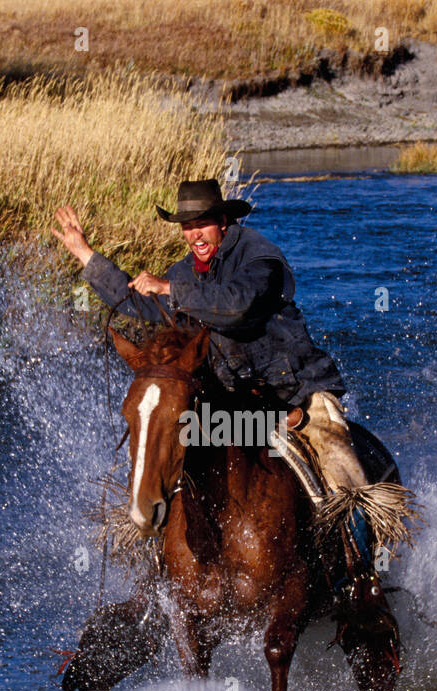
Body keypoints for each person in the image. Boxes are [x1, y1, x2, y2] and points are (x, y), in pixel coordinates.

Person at [51, 178, 385, 576]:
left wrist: (170, 289)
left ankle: (362, 585)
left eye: (202, 224)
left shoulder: (260, 258)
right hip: (233, 405)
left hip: (298, 395)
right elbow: (142, 300)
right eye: (187, 227)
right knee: (173, 460)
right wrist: (88, 256)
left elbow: (236, 304)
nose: (194, 234)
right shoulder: (183, 274)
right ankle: (159, 576)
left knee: (346, 481)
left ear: (223, 222)